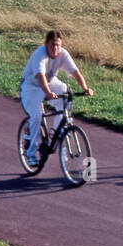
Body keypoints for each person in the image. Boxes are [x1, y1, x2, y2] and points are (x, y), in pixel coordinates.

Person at [20, 30, 92, 165]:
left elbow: (75, 72)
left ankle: (58, 134)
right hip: (31, 86)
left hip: (49, 82)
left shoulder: (63, 54)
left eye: (58, 45)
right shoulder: (39, 54)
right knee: (36, 117)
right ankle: (30, 154)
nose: (56, 48)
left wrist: (85, 88)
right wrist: (47, 92)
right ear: (46, 44)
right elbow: (40, 76)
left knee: (65, 93)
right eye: (53, 45)